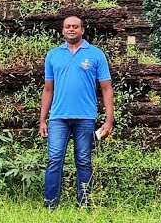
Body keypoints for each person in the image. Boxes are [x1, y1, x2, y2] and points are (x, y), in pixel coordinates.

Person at [39, 15, 114, 207]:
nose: (71, 29)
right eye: (67, 27)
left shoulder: (96, 54)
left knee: (83, 161)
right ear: (63, 31)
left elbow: (106, 88)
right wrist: (42, 120)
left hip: (85, 117)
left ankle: (84, 203)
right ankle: (50, 204)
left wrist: (109, 120)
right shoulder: (53, 55)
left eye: (75, 26)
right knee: (54, 160)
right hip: (58, 118)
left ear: (82, 30)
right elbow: (48, 89)